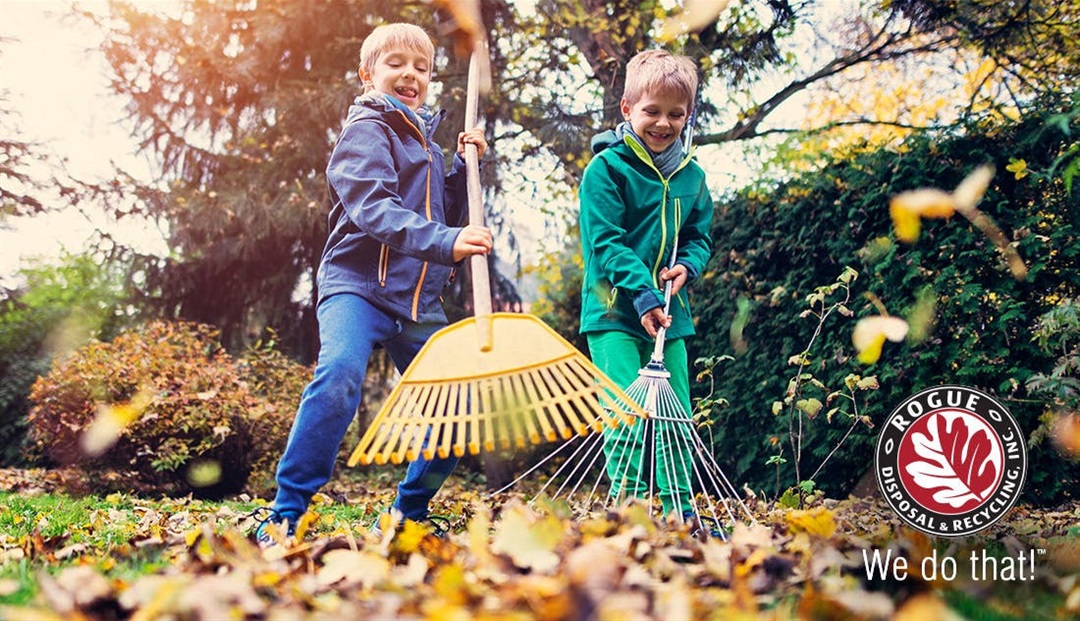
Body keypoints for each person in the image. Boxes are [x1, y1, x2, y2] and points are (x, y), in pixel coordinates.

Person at [255, 22, 491, 546]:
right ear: (368, 75)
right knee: (338, 374)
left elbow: (444, 211)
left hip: (416, 300)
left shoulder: (427, 142)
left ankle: (408, 512)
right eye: (396, 64)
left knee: (458, 405)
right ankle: (285, 514)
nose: (410, 75)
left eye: (422, 68)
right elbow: (374, 209)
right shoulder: (366, 128)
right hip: (357, 286)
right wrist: (447, 241)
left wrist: (462, 167)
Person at [578, 49, 713, 527]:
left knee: (677, 416)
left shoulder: (692, 178)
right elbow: (606, 242)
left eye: (676, 114)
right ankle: (629, 508)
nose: (663, 123)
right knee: (625, 415)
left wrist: (688, 269)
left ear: (687, 116)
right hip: (614, 311)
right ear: (627, 109)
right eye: (651, 111)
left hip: (669, 315)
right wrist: (642, 296)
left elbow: (699, 236)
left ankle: (680, 509)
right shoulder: (606, 171)